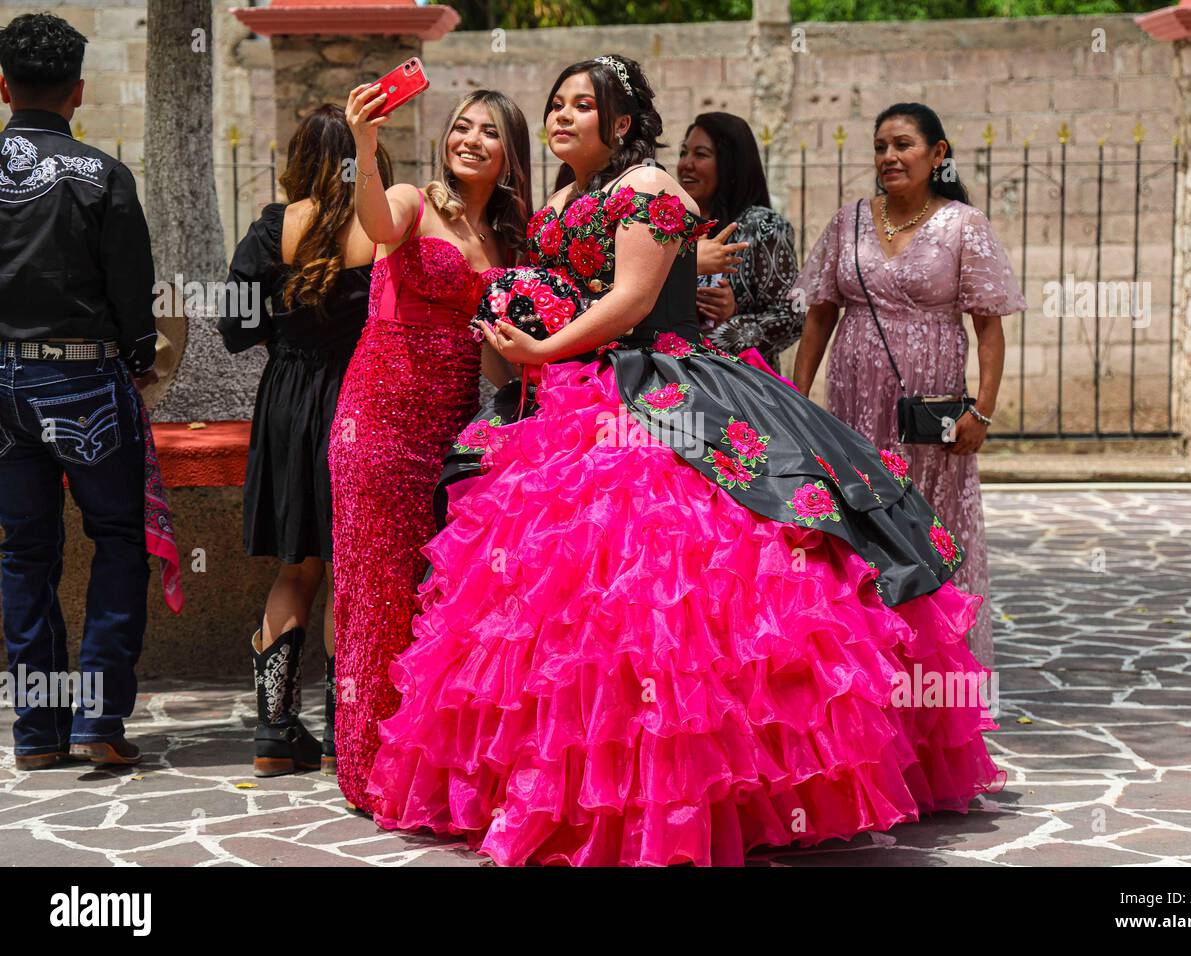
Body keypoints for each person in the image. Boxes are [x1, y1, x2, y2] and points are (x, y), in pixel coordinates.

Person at [363, 55, 1005, 867]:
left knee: (688, 586)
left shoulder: (651, 192)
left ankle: (720, 786)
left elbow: (630, 301)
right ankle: (560, 781)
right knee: (560, 601)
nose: (560, 118)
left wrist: (541, 345)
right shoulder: (563, 199)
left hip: (660, 386)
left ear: (622, 124)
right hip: (570, 391)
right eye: (556, 105)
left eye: (581, 107)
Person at [329, 86, 531, 812]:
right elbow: (373, 220)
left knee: (432, 596)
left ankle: (417, 758)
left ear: (511, 153)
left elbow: (508, 347)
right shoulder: (415, 201)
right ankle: (366, 768)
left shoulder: (512, 239)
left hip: (454, 426)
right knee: (377, 590)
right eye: (461, 127)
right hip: (377, 420)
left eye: (489, 132)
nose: (469, 139)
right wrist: (364, 147)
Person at [791, 103, 1026, 669]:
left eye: (903, 145)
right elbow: (820, 314)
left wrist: (984, 412)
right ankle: (865, 662)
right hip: (851, 402)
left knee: (930, 519)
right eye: (880, 147)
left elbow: (988, 328)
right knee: (856, 519)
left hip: (929, 411)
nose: (889, 157)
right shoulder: (848, 221)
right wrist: (798, 403)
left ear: (938, 154)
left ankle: (936, 663)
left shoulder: (964, 226)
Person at [0, 13, 157, 769]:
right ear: (79, 93)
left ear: (3, 87)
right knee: (118, 539)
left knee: (25, 553)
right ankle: (97, 720)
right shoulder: (102, 175)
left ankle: (36, 733)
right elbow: (134, 293)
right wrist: (140, 354)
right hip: (83, 377)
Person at [219, 105, 393, 778]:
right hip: (356, 400)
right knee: (349, 568)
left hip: (287, 403)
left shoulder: (272, 226)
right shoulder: (379, 230)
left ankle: (273, 731)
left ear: (298, 158)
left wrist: (286, 326)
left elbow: (235, 328)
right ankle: (339, 732)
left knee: (297, 567)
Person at [678, 111, 801, 374]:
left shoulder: (764, 227)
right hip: (673, 375)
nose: (686, 164)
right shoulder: (672, 226)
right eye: (683, 153)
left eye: (700, 155)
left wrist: (732, 316)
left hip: (741, 381)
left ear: (730, 165)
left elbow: (792, 316)